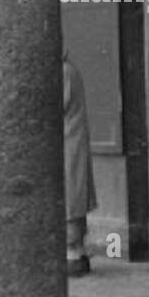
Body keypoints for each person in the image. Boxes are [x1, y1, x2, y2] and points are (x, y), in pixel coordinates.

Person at [63, 48, 97, 276]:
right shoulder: (69, 70)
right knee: (73, 195)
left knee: (70, 197)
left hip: (67, 141)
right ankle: (77, 252)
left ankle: (73, 253)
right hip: (70, 140)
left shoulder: (64, 72)